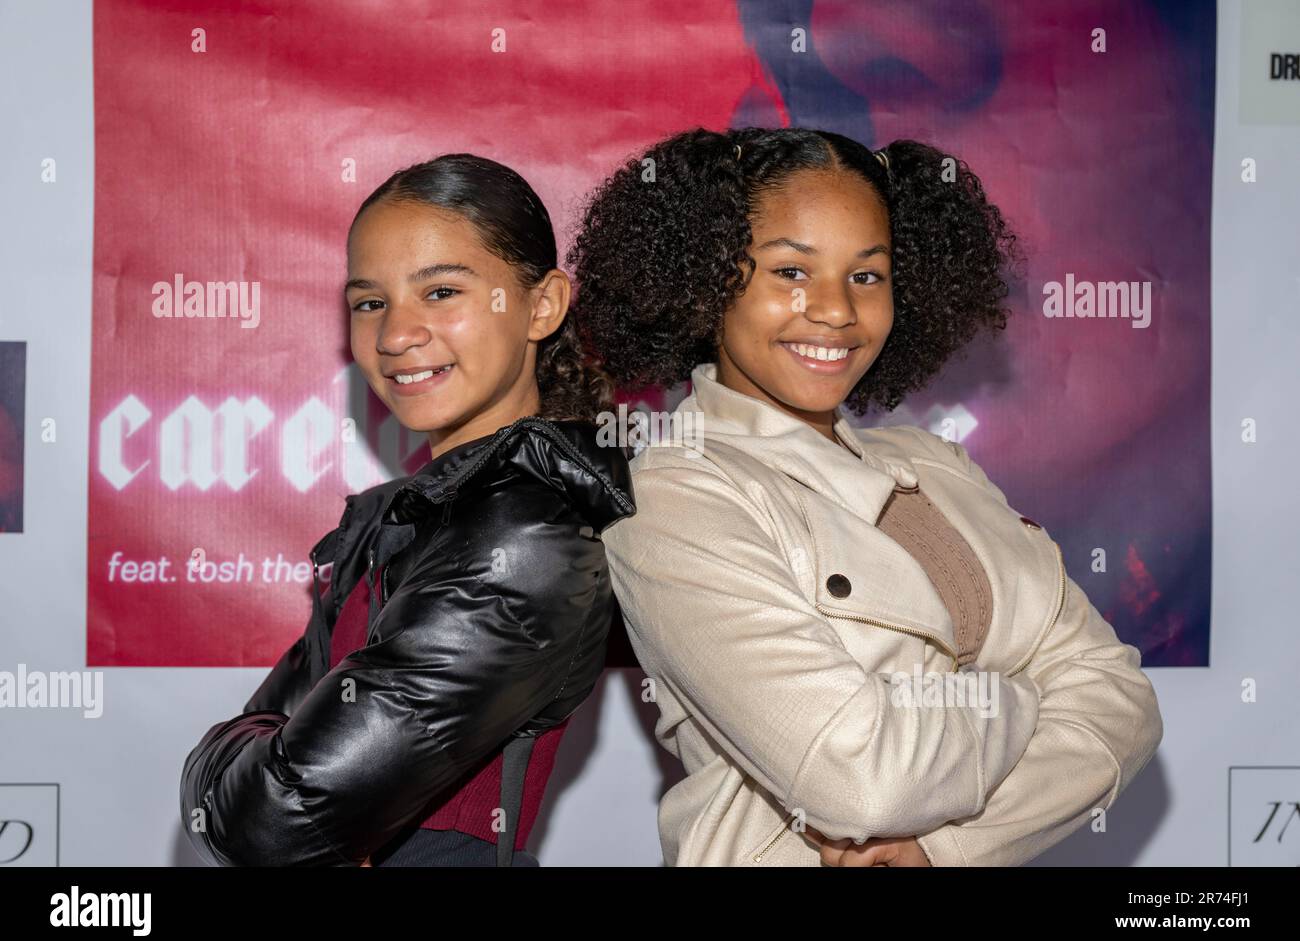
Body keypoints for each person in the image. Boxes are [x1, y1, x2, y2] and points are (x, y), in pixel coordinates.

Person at [567, 126, 1163, 866]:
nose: (836, 310)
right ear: (706, 280)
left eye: (868, 275)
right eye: (791, 271)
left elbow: (1124, 704)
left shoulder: (935, 463)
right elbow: (858, 777)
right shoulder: (674, 492)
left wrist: (943, 846)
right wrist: (1017, 694)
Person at [179, 153, 634, 866]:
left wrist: (219, 757)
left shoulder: (530, 527)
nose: (395, 335)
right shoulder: (402, 513)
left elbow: (268, 816)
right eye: (370, 302)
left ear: (541, 305)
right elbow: (262, 768)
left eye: (441, 291)